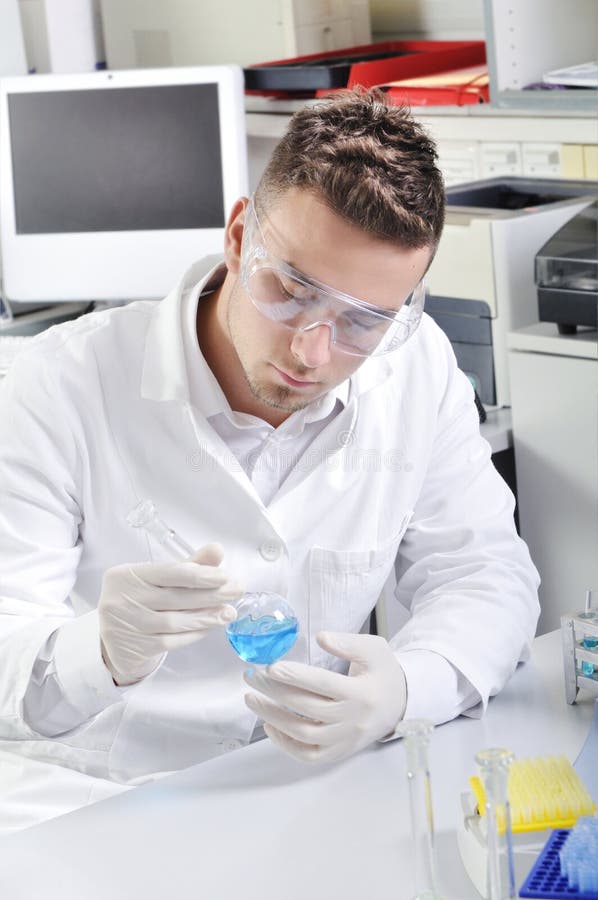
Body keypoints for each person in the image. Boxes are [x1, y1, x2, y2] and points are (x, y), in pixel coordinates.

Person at [0, 90, 539, 785]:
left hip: (306, 787)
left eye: (364, 321)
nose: (314, 353)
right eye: (291, 288)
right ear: (237, 236)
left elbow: (486, 574)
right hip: (97, 795)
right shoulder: (54, 384)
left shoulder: (416, 367)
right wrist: (99, 650)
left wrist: (405, 688)